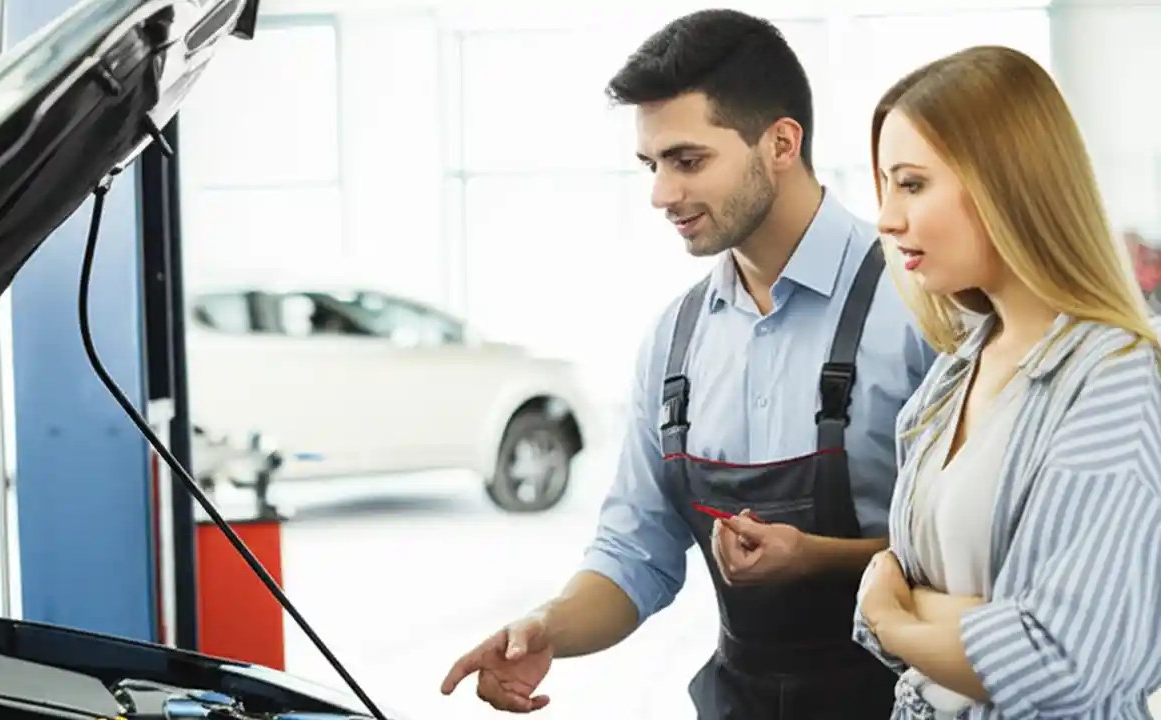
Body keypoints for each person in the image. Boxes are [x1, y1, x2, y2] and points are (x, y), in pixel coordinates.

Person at [439, 9, 936, 718]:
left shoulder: (921, 305)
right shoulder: (674, 344)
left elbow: (986, 556)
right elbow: (634, 554)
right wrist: (550, 626)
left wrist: (818, 557)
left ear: (781, 143)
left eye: (688, 160)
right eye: (652, 165)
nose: (661, 194)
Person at [853, 45, 1161, 718]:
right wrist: (980, 623)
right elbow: (914, 585)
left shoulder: (1116, 381)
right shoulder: (953, 373)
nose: (886, 217)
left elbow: (1064, 661)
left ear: (1004, 181)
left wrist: (895, 621)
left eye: (910, 183)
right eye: (885, 186)